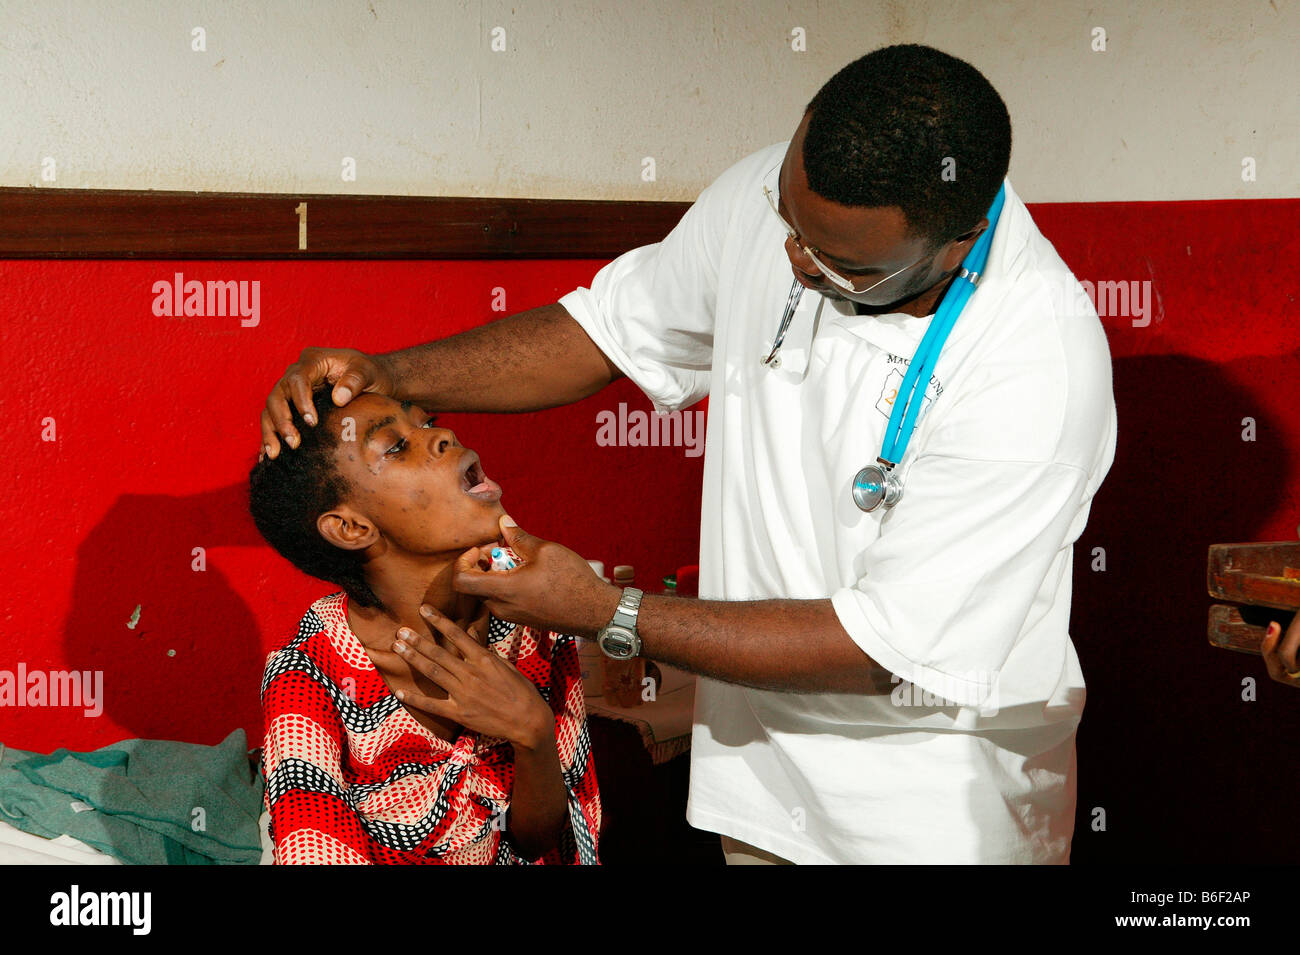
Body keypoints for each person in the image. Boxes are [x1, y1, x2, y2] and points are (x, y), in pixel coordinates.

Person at [259, 44, 1117, 864]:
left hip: (931, 811)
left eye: (834, 263)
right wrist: (393, 372)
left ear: (958, 241)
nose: (791, 257)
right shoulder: (767, 197)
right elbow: (605, 331)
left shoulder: (1037, 360)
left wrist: (607, 613)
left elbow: (881, 646)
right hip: (761, 791)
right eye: (789, 219)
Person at [249, 386, 600, 864]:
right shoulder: (308, 679)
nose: (442, 435)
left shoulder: (532, 612)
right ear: (352, 528)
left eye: (428, 423)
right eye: (394, 445)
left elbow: (538, 843)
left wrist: (533, 731)